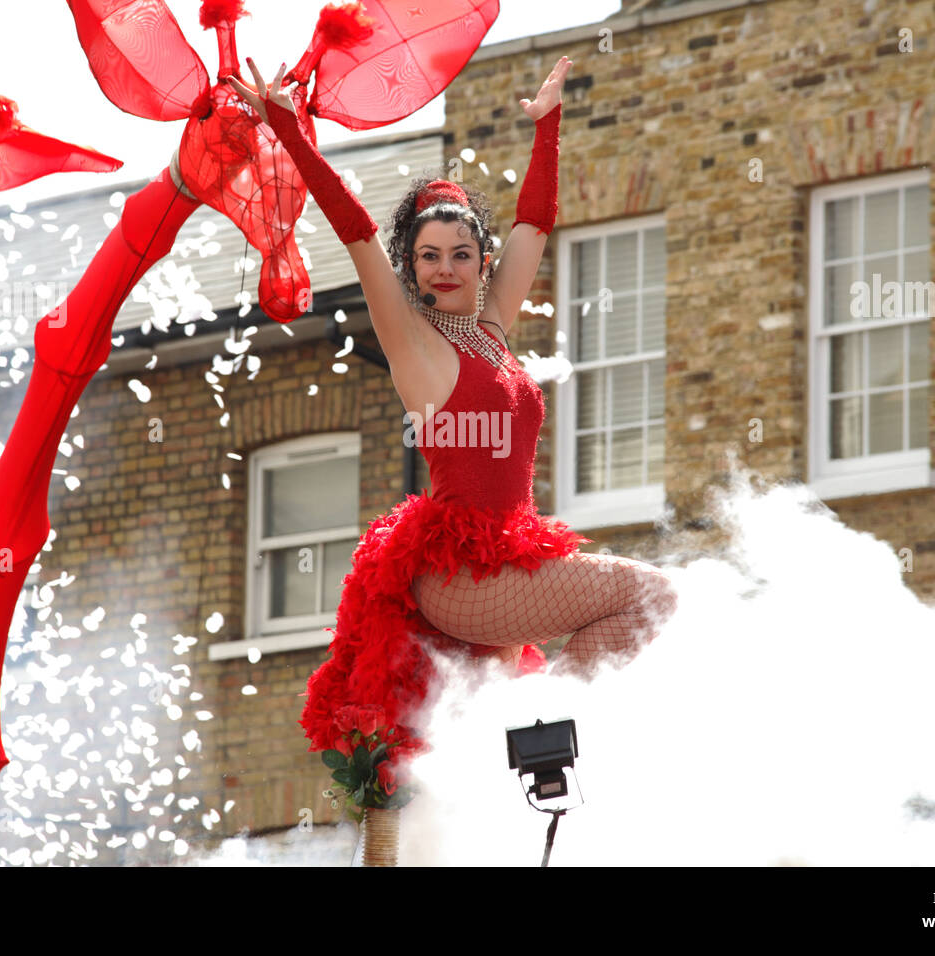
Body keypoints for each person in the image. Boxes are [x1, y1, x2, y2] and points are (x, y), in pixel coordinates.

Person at [226, 56, 678, 757]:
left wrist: (547, 123)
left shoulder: (492, 327)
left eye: (460, 254)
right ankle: (543, 735)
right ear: (412, 266)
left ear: (481, 262)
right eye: (429, 255)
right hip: (463, 575)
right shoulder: (416, 343)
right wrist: (288, 126)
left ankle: (505, 776)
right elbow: (354, 230)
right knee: (652, 594)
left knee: (488, 731)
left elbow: (535, 221)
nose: (444, 267)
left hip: (511, 561)